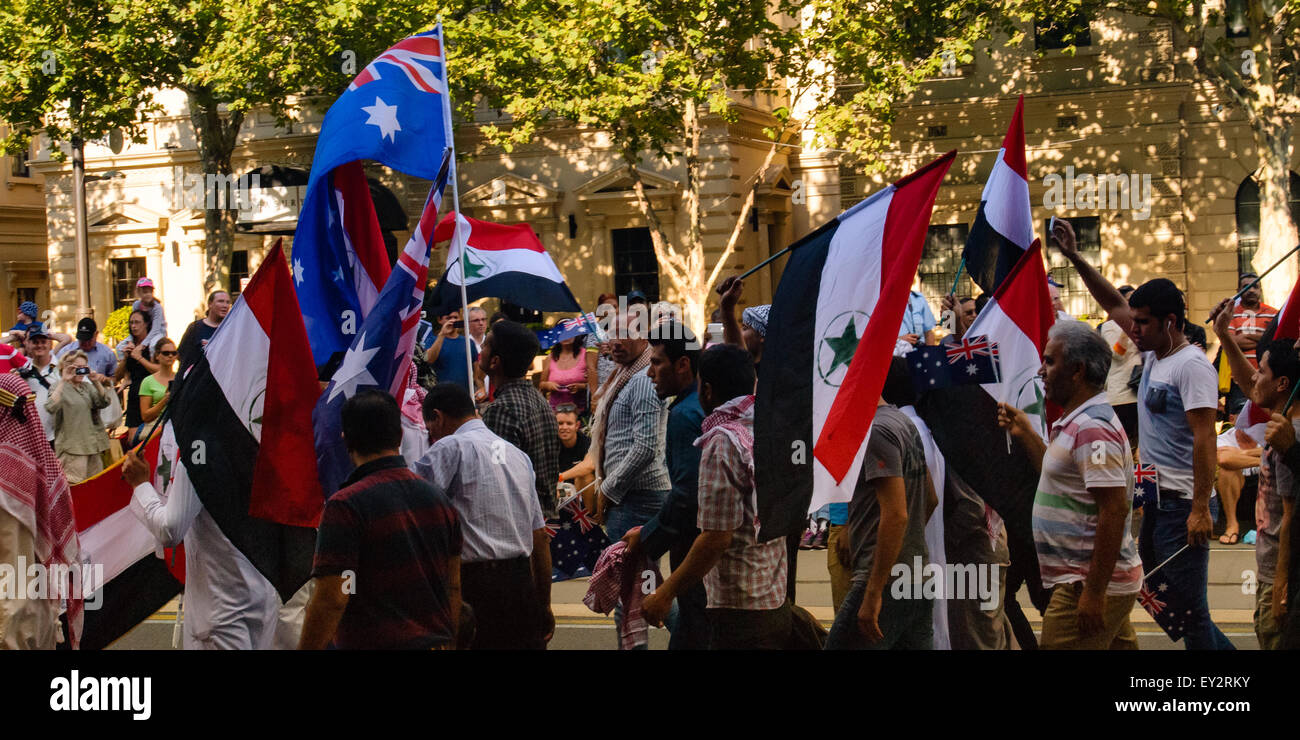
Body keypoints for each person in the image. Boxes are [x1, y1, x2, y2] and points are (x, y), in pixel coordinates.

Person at [1051, 218, 1231, 650]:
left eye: (1143, 323)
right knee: (1155, 595)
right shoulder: (1153, 350)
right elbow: (1113, 301)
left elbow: (1205, 438)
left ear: (1171, 322)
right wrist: (1076, 257)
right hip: (1153, 500)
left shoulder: (1191, 367)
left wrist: (1201, 510)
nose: (1133, 329)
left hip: (1182, 505)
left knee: (1190, 612)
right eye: (1134, 321)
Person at [998, 321, 1143, 649]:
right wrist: (1025, 431)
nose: (1041, 371)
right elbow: (1061, 474)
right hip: (1092, 580)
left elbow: (1114, 508)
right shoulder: (1078, 422)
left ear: (1077, 370)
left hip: (1085, 583)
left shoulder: (1092, 427)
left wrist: (1093, 593)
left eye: (1050, 361)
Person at [641, 345, 789, 649]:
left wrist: (665, 593)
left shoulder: (722, 441)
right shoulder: (768, 425)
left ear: (706, 389)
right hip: (773, 593)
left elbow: (716, 538)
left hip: (738, 606)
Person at [299, 390, 463, 650]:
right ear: (399, 436)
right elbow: (453, 587)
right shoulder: (439, 500)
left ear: (346, 440)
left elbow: (333, 596)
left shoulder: (345, 507)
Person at [412, 383, 553, 649]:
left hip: (474, 588)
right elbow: (540, 536)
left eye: (430, 428)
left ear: (438, 417)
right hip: (521, 585)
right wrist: (543, 604)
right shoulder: (518, 456)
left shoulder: (448, 449)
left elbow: (412, 508)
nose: (431, 435)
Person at [124, 423, 283, 649]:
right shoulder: (263, 438)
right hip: (260, 597)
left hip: (221, 612)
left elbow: (170, 530)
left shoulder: (200, 449)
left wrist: (141, 485)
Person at [824, 368, 938, 650]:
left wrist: (874, 590)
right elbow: (929, 498)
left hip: (882, 580)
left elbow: (897, 514)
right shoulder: (903, 422)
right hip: (917, 576)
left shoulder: (876, 431)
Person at [1212, 298, 1298, 649]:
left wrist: (1280, 582)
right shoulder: (1280, 423)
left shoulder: (1288, 437)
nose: (1252, 378)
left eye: (1260, 370)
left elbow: (1292, 515)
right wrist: (1225, 335)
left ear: (1282, 384)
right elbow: (1251, 386)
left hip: (1279, 571)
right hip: (1271, 568)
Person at [622, 320, 709, 650]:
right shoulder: (699, 404)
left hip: (694, 552)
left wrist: (646, 537)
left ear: (683, 364)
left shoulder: (685, 415)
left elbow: (687, 496)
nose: (650, 372)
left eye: (656, 363)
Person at [0, 373, 83, 648]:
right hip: (37, 621)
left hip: (15, 629)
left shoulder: (8, 481)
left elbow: (12, 585)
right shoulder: (41, 467)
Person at [479, 320, 560, 518]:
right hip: (540, 516)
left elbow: (498, 477)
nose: (481, 347)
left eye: (486, 343)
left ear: (495, 362)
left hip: (519, 521)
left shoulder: (501, 410)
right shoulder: (538, 400)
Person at [44, 350, 111, 484]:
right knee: (74, 488)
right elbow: (50, 407)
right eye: (77, 368)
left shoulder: (87, 386)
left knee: (95, 488)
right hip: (72, 449)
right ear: (66, 367)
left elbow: (104, 402)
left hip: (93, 446)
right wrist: (63, 380)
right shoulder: (58, 386)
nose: (81, 372)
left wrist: (96, 381)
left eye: (84, 368)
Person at [1225, 273, 1278, 416]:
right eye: (1246, 287)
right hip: (1238, 381)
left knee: (1265, 420)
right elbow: (1230, 342)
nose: (1251, 290)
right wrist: (1263, 339)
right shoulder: (1230, 314)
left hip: (1267, 380)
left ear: (1261, 290)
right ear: (1238, 290)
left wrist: (1246, 335)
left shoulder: (1273, 313)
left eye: (1255, 286)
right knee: (1239, 421)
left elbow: (1275, 343)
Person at [1099, 285, 1141, 446]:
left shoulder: (1142, 324)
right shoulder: (1109, 327)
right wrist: (1127, 328)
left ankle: (1143, 471)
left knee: (1141, 444)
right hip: (1122, 395)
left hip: (1140, 391)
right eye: (1129, 301)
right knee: (1124, 444)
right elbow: (1117, 354)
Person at [114, 309, 160, 439]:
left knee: (152, 439)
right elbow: (117, 377)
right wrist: (125, 358)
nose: (133, 326)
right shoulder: (128, 344)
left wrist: (140, 358)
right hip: (135, 395)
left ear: (146, 324)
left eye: (137, 322)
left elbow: (160, 370)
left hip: (153, 395)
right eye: (131, 323)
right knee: (133, 441)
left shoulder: (154, 345)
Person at [16, 327, 60, 445]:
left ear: (50, 344)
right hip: (29, 437)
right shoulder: (21, 369)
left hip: (58, 437)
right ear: (28, 344)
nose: (39, 345)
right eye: (35, 342)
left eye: (43, 342)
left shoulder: (62, 368)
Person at [424, 309, 479, 391]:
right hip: (440, 394)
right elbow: (429, 359)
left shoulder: (468, 342)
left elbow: (476, 369)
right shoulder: (432, 340)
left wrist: (477, 386)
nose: (453, 321)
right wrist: (442, 334)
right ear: (440, 320)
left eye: (455, 317)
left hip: (464, 394)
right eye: (448, 318)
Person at [176, 290, 230, 374]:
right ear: (210, 304)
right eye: (220, 301)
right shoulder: (195, 328)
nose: (225, 305)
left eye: (227, 302)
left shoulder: (231, 329)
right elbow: (182, 356)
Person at [539, 331, 593, 415]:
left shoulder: (586, 355)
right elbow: (541, 384)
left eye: (569, 332)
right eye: (561, 332)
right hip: (555, 413)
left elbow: (595, 382)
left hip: (581, 411)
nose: (565, 336)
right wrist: (548, 385)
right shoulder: (550, 357)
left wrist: (582, 386)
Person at [555, 404, 593, 507]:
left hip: (579, 491)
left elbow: (589, 465)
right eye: (560, 423)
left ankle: (589, 519)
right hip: (558, 490)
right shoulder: (549, 443)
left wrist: (560, 477)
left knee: (586, 476)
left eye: (569, 423)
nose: (564, 427)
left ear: (577, 426)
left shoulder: (586, 442)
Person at [139, 338, 177, 428]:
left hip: (178, 427)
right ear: (157, 356)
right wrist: (165, 400)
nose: (170, 356)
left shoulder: (181, 378)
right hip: (156, 428)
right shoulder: (148, 381)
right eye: (166, 353)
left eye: (174, 353)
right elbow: (145, 416)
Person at [132, 277, 167, 351]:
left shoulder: (157, 307)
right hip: (142, 332)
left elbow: (156, 329)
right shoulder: (136, 305)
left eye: (150, 292)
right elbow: (133, 322)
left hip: (158, 333)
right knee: (121, 346)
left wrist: (143, 344)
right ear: (138, 292)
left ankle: (152, 362)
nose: (148, 294)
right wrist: (130, 340)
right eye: (145, 292)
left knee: (153, 346)